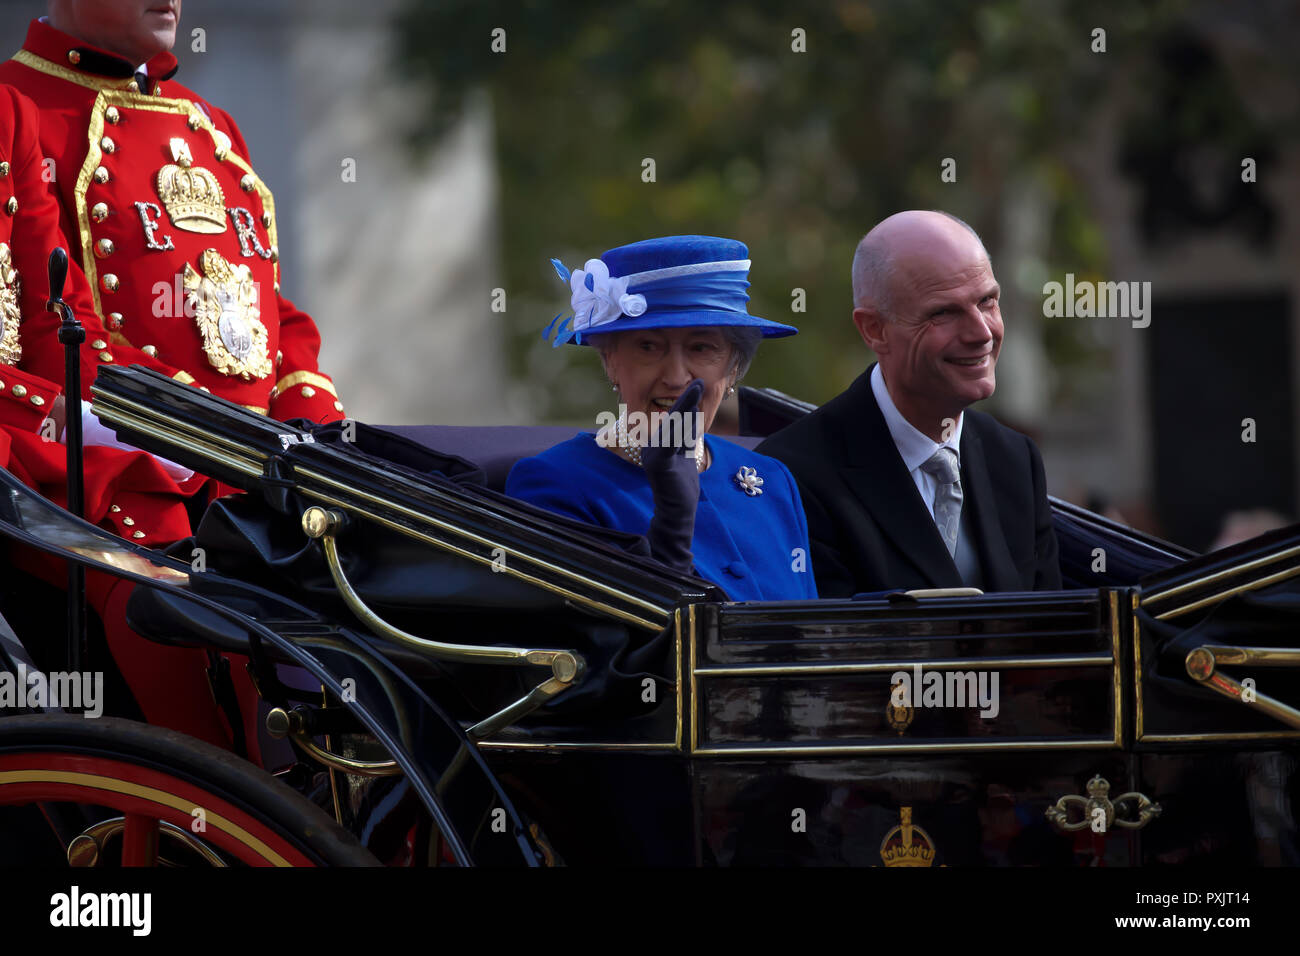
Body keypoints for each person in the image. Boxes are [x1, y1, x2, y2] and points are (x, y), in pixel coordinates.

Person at [1, 81, 246, 751]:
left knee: (221, 498)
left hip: (24, 425)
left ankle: (265, 775)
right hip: (14, 432)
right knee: (133, 514)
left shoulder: (9, 114)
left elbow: (57, 323)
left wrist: (169, 413)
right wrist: (51, 410)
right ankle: (197, 783)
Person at [0, 2, 344, 428]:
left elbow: (270, 309)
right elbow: (55, 326)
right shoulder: (15, 112)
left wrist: (314, 433)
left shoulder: (212, 123)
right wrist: (203, 430)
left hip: (256, 458)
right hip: (135, 450)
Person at [758, 210, 1061, 597]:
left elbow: (1052, 624)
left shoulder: (1014, 459)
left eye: (987, 301)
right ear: (874, 330)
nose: (982, 333)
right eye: (944, 313)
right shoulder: (791, 477)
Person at [507, 236, 817, 601]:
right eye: (648, 347)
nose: (675, 377)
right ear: (610, 361)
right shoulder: (557, 483)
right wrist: (672, 523)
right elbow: (612, 632)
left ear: (733, 368)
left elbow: (814, 624)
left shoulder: (773, 478)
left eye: (701, 348)